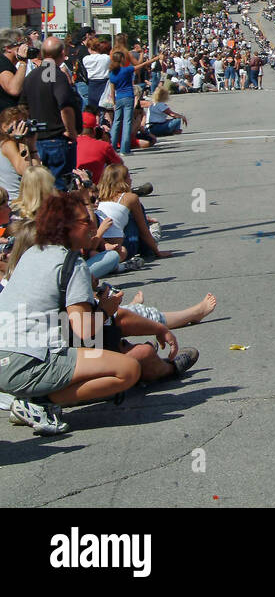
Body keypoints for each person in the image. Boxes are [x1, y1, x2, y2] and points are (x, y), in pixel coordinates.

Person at [0, 193, 143, 434]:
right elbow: (84, 332)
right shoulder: (71, 263)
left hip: (5, 355)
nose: (92, 225)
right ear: (64, 227)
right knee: (128, 369)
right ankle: (39, 403)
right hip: (27, 360)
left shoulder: (33, 253)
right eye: (85, 221)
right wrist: (105, 311)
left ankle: (34, 397)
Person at [22, 38, 80, 191]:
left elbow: (22, 108)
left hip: (37, 140)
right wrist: (71, 131)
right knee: (60, 187)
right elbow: (65, 105)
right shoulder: (57, 75)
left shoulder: (30, 77)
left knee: (42, 187)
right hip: (57, 140)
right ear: (62, 53)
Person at [0, 28, 33, 114]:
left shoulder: (9, 64)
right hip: (5, 120)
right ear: (8, 48)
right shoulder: (2, 63)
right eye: (20, 44)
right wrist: (23, 62)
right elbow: (14, 89)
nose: (25, 47)